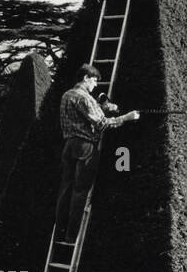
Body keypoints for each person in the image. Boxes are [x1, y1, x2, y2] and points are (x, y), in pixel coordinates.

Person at [55, 65, 139, 243]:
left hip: (68, 146)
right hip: (85, 146)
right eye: (94, 80)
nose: (95, 85)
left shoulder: (66, 95)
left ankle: (60, 232)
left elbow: (85, 116)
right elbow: (102, 124)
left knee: (65, 190)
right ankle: (71, 237)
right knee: (80, 192)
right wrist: (127, 118)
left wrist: (102, 107)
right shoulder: (84, 97)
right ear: (86, 78)